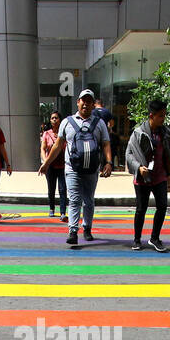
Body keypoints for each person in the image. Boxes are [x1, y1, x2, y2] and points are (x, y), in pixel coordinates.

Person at [38, 89, 112, 247]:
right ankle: (73, 230)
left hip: (92, 169)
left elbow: (106, 143)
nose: (85, 104)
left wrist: (109, 162)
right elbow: (58, 145)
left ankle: (87, 227)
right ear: (77, 102)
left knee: (89, 200)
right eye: (82, 100)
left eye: (89, 101)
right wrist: (47, 163)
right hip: (72, 168)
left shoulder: (99, 124)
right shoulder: (67, 122)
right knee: (75, 199)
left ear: (93, 105)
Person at [125, 97, 170, 252]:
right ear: (151, 116)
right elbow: (128, 154)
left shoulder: (166, 134)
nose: (163, 119)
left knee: (162, 206)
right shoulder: (138, 133)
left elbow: (169, 155)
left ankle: (155, 238)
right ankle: (137, 239)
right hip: (143, 177)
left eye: (164, 115)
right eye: (160, 116)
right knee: (141, 209)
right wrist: (138, 167)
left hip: (160, 176)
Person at [41, 110, 67, 221]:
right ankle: (51, 208)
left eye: (56, 118)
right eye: (52, 118)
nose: (54, 120)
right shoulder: (46, 134)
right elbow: (43, 148)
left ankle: (62, 212)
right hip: (50, 166)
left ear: (60, 120)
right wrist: (45, 161)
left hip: (62, 166)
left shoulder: (64, 133)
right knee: (51, 189)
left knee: (62, 189)